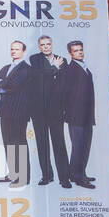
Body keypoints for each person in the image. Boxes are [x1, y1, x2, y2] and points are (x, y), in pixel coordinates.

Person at [0, 40, 35, 187]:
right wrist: (4, 86)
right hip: (5, 111)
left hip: (19, 111)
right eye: (12, 49)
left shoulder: (26, 69)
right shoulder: (6, 67)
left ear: (23, 52)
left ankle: (24, 178)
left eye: (17, 49)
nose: (13, 51)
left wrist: (3, 84)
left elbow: (14, 86)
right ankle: (13, 174)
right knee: (8, 144)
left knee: (19, 144)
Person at [27, 36, 70, 187]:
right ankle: (47, 176)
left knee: (59, 143)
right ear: (39, 47)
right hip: (38, 110)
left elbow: (65, 84)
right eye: (42, 45)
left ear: (52, 44)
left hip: (56, 109)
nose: (45, 47)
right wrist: (55, 69)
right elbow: (39, 76)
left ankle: (64, 178)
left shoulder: (62, 59)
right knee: (42, 143)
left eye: (48, 44)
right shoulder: (35, 59)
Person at [57, 40, 96, 188]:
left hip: (87, 115)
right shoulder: (70, 69)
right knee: (78, 146)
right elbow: (63, 92)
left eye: (81, 49)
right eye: (76, 51)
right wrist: (69, 111)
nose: (79, 52)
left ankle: (79, 173)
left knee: (85, 146)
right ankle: (78, 178)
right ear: (70, 53)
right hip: (76, 116)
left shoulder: (85, 67)